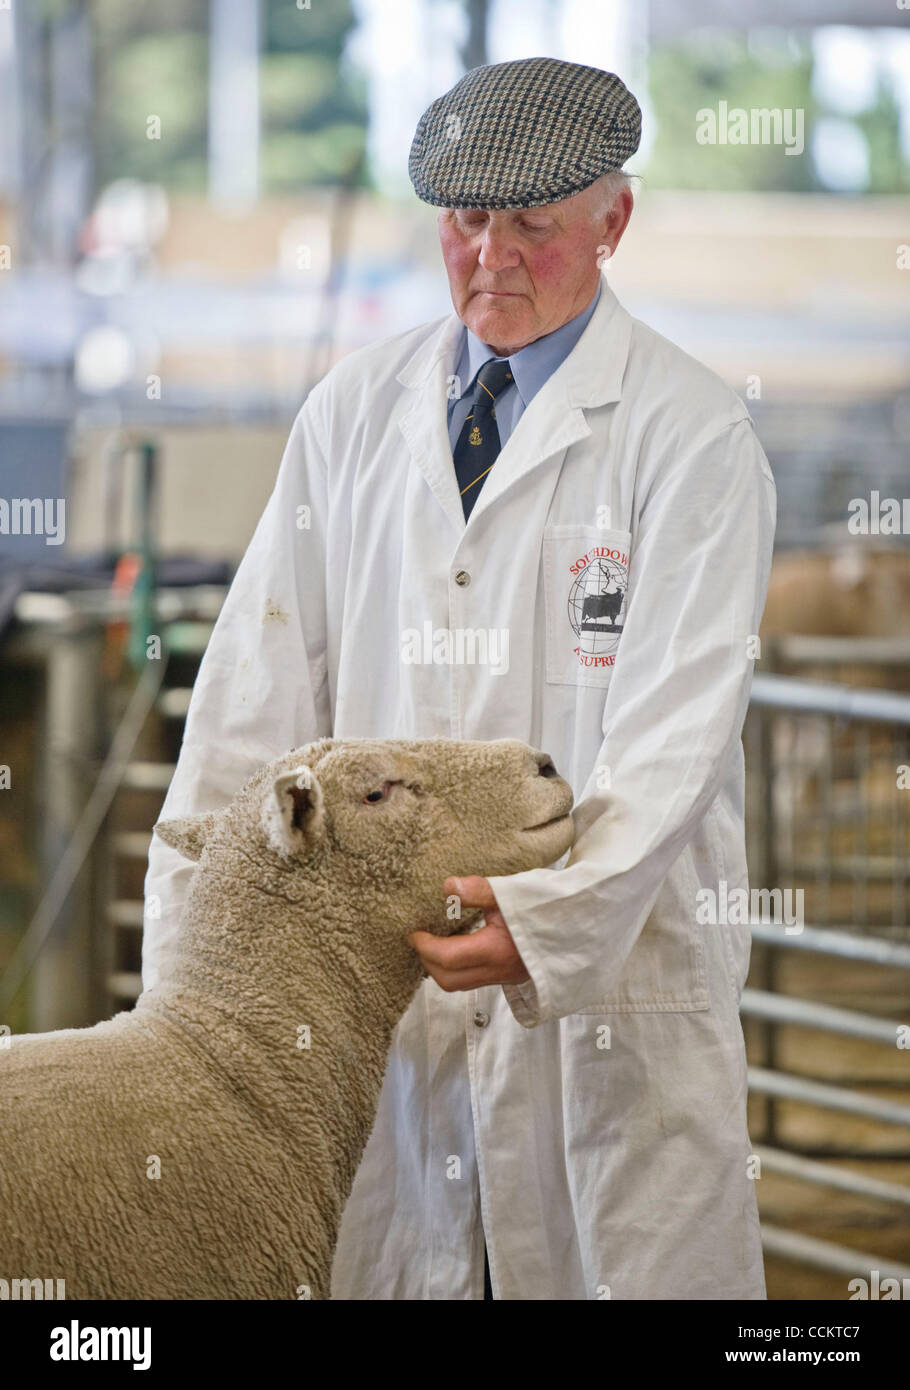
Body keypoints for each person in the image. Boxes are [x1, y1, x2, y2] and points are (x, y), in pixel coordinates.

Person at [142, 56, 776, 1300]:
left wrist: (544, 920)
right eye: (465, 219)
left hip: (610, 1018)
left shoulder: (689, 439)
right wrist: (188, 978)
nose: (491, 253)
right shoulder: (350, 415)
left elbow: (669, 747)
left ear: (613, 222)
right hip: (388, 1009)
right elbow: (252, 702)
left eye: (532, 222)